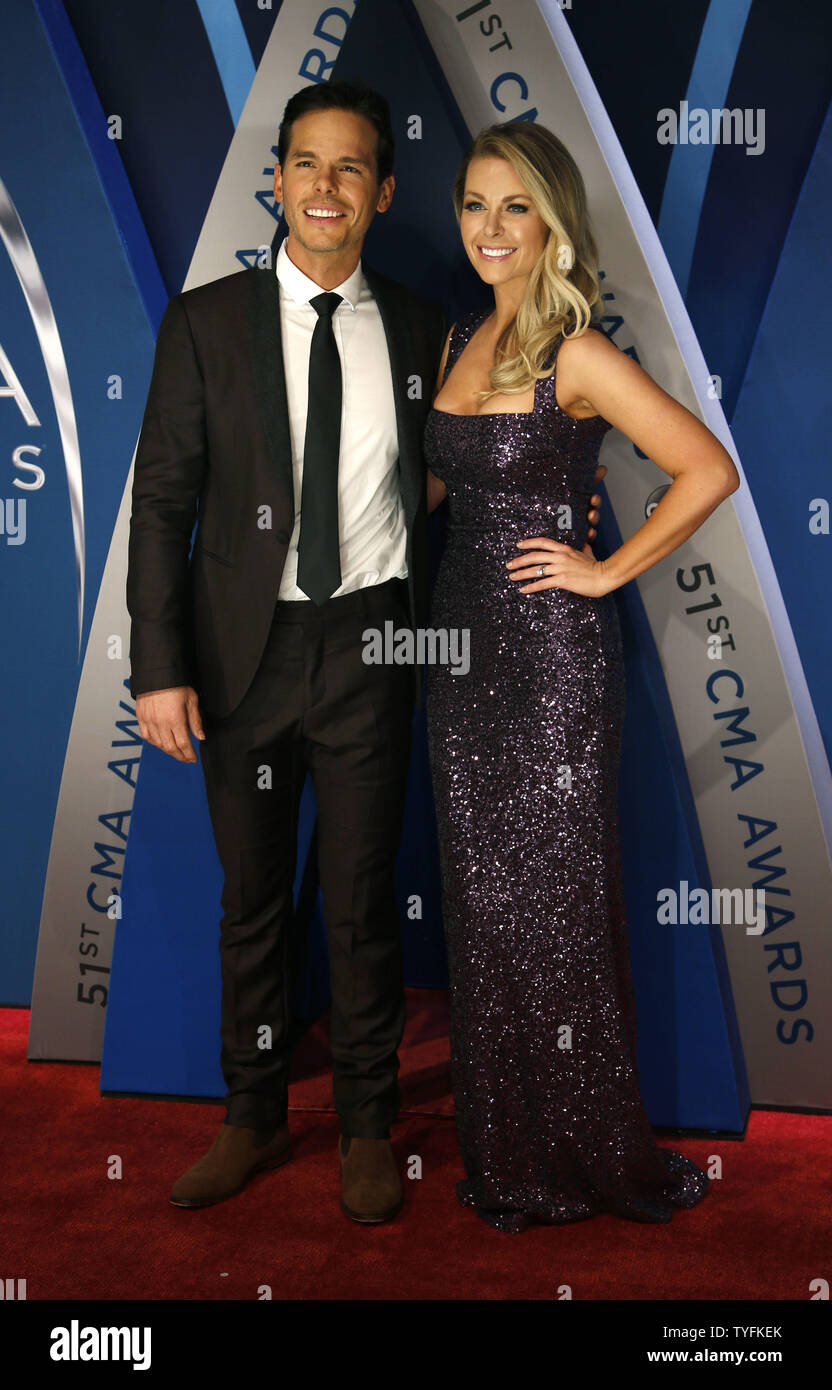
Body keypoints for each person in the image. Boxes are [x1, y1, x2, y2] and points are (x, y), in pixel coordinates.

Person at [126, 77, 610, 1224]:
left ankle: (363, 1124)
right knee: (252, 902)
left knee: (358, 902)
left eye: (351, 167)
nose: (326, 186)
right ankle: (249, 1116)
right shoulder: (203, 322)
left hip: (374, 646)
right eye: (307, 163)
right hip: (242, 653)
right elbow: (159, 507)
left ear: (383, 192)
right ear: (279, 179)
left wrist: (565, 517)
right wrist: (158, 664)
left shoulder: (419, 321)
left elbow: (476, 456)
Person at [424, 120, 739, 1233]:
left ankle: (588, 1153)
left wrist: (605, 569)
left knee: (552, 909)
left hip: (551, 668)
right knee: (485, 912)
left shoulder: (580, 353)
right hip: (458, 666)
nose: (491, 228)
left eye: (515, 206)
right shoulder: (463, 334)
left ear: (553, 220)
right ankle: (510, 1156)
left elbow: (707, 468)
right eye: (473, 203)